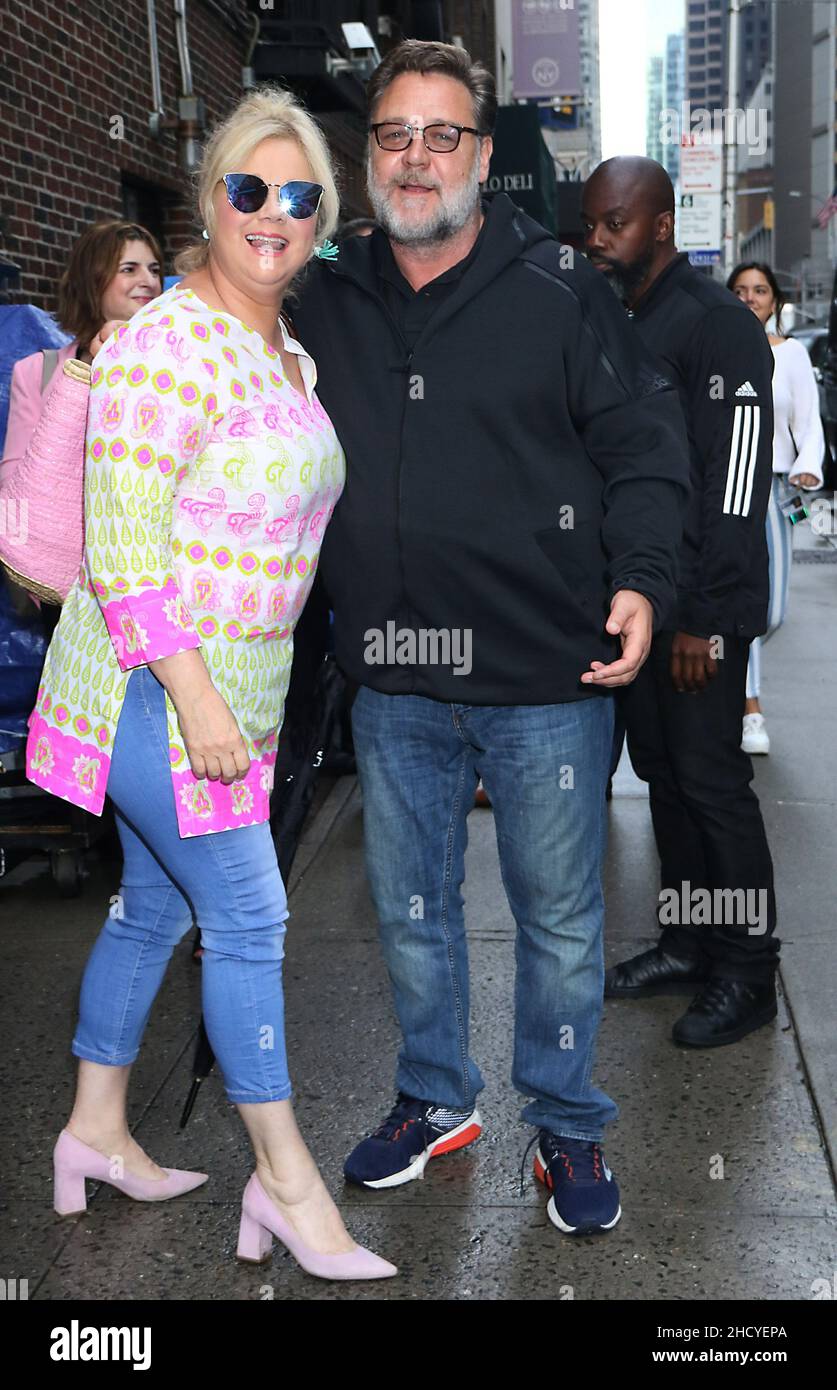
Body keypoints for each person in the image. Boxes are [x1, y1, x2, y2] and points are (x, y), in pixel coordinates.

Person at [293, 40, 690, 1237]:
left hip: (543, 679)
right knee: (411, 911)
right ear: (372, 158)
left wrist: (645, 580)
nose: (417, 160)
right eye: (395, 136)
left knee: (561, 921)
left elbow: (645, 446)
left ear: (482, 154)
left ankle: (564, 1121)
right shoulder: (320, 294)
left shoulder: (562, 288)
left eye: (443, 135)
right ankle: (435, 1100)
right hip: (393, 685)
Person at [26, 88, 395, 1283]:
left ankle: (91, 1128)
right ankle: (287, 1185)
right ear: (209, 199)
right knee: (248, 914)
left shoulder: (284, 348)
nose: (273, 214)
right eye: (250, 190)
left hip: (234, 690)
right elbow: (123, 546)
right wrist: (194, 699)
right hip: (157, 685)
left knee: (156, 907)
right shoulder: (165, 343)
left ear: (322, 216)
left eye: (300, 197)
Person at [582, 156, 781, 1047]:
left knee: (712, 786)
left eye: (612, 222)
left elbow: (735, 484)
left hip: (699, 613)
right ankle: (688, 941)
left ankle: (746, 970)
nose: (596, 237)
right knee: (663, 779)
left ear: (659, 224)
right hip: (645, 604)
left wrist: (704, 618)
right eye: (590, 223)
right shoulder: (617, 316)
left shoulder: (715, 324)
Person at [1, 220, 163, 630]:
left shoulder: (178, 366)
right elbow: (13, 484)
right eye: (129, 269)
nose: (148, 281)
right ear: (93, 280)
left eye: (154, 269)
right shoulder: (39, 372)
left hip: (159, 574)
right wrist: (36, 582)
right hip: (74, 585)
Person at [727, 262, 825, 754]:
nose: (750, 298)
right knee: (747, 602)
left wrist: (809, 468)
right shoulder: (717, 350)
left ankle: (735, 683)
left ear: (774, 300)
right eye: (740, 290)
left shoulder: (793, 356)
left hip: (777, 494)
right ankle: (750, 709)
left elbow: (810, 424)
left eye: (759, 290)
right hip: (726, 491)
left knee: (773, 610)